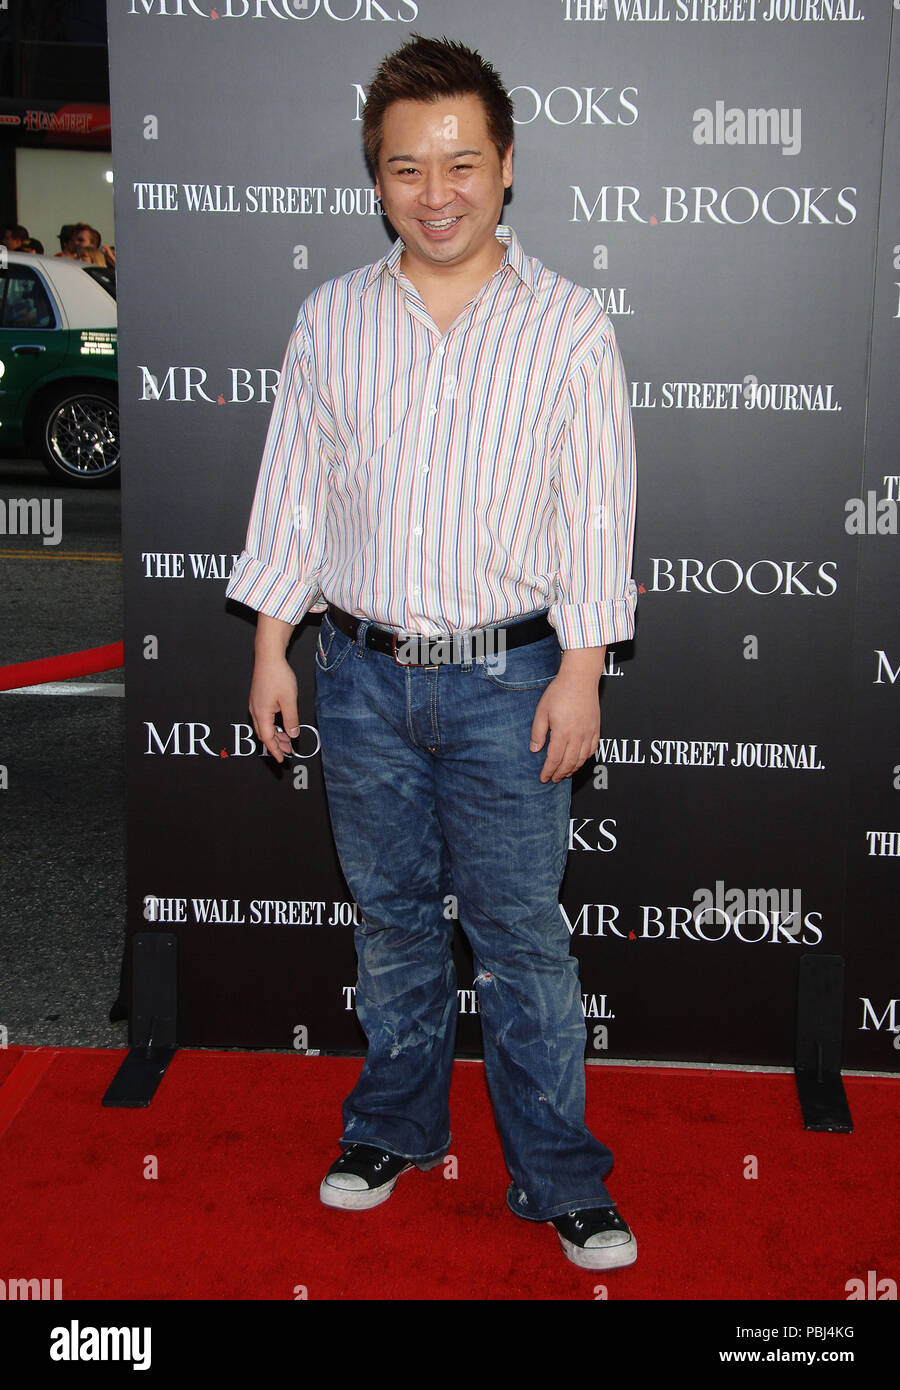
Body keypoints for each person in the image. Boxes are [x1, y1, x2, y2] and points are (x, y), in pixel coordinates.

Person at [226, 34, 638, 1272]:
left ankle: (560, 1175)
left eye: (462, 162)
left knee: (520, 940)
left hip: (514, 680)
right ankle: (391, 1130)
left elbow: (598, 511)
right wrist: (271, 646)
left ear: (506, 166)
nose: (437, 190)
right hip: (354, 677)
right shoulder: (331, 318)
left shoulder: (569, 326)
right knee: (394, 924)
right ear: (377, 179)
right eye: (408, 167)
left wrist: (581, 669)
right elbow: (293, 492)